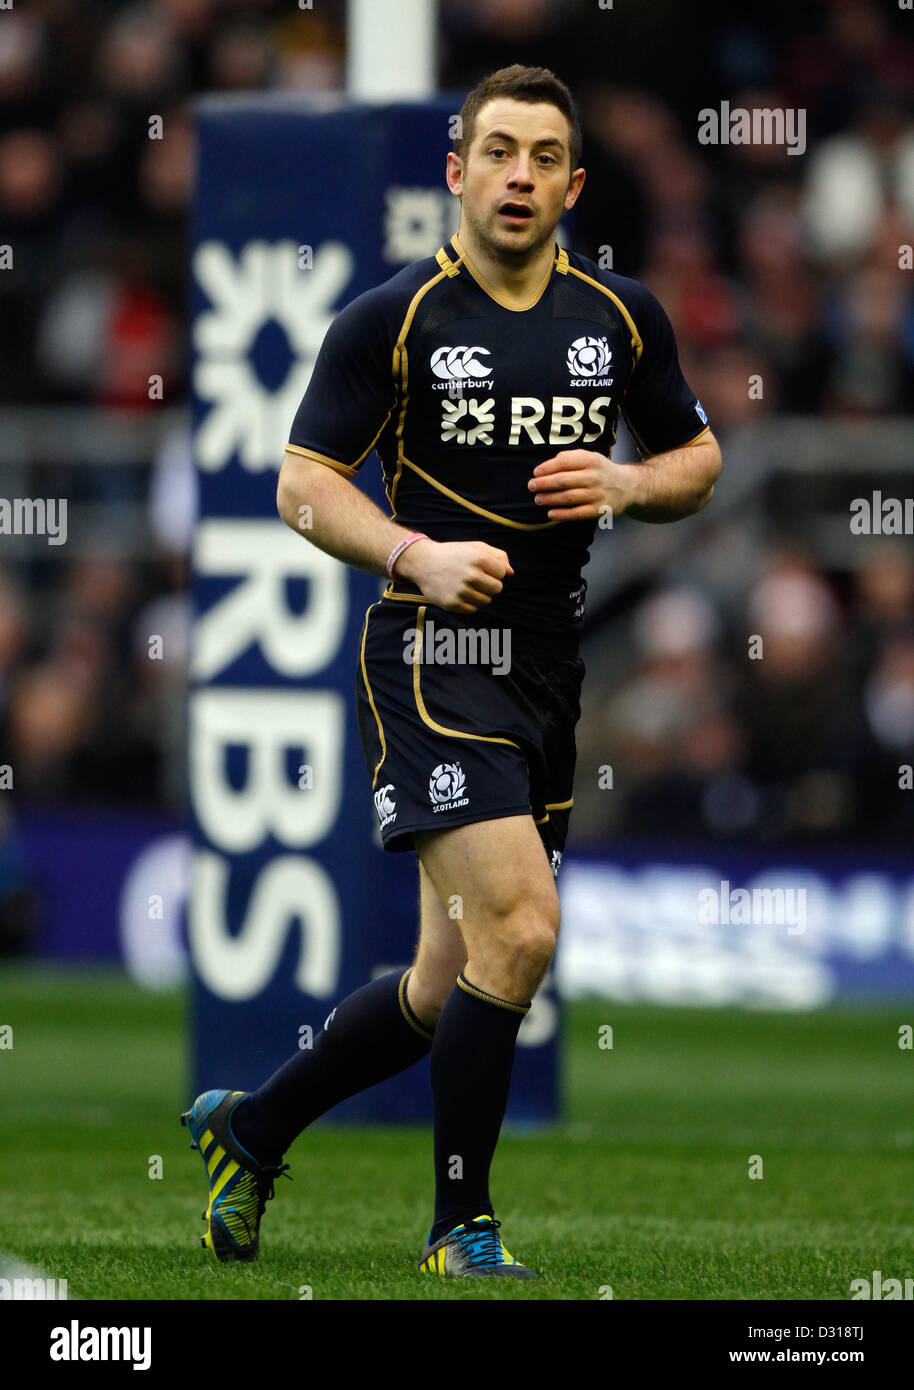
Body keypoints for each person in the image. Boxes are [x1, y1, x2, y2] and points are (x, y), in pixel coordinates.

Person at [181, 63, 721, 1279]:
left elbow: (697, 457)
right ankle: (457, 1226)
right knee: (523, 931)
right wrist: (412, 553)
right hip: (433, 654)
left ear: (572, 183)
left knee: (444, 978)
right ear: (455, 173)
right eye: (496, 152)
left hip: (546, 666)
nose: (517, 175)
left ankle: (249, 1127)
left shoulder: (620, 318)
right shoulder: (395, 320)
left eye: (541, 157)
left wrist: (629, 483)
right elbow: (301, 485)